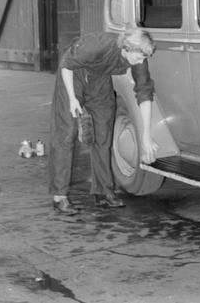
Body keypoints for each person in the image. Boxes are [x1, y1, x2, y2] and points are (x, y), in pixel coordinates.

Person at [49, 28, 158, 215]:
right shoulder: (98, 45)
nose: (142, 62)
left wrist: (146, 136)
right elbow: (67, 63)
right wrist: (72, 98)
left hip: (99, 78)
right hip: (74, 74)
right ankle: (60, 196)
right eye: (140, 57)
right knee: (66, 133)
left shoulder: (138, 57)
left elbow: (144, 94)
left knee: (104, 132)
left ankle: (103, 192)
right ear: (128, 48)